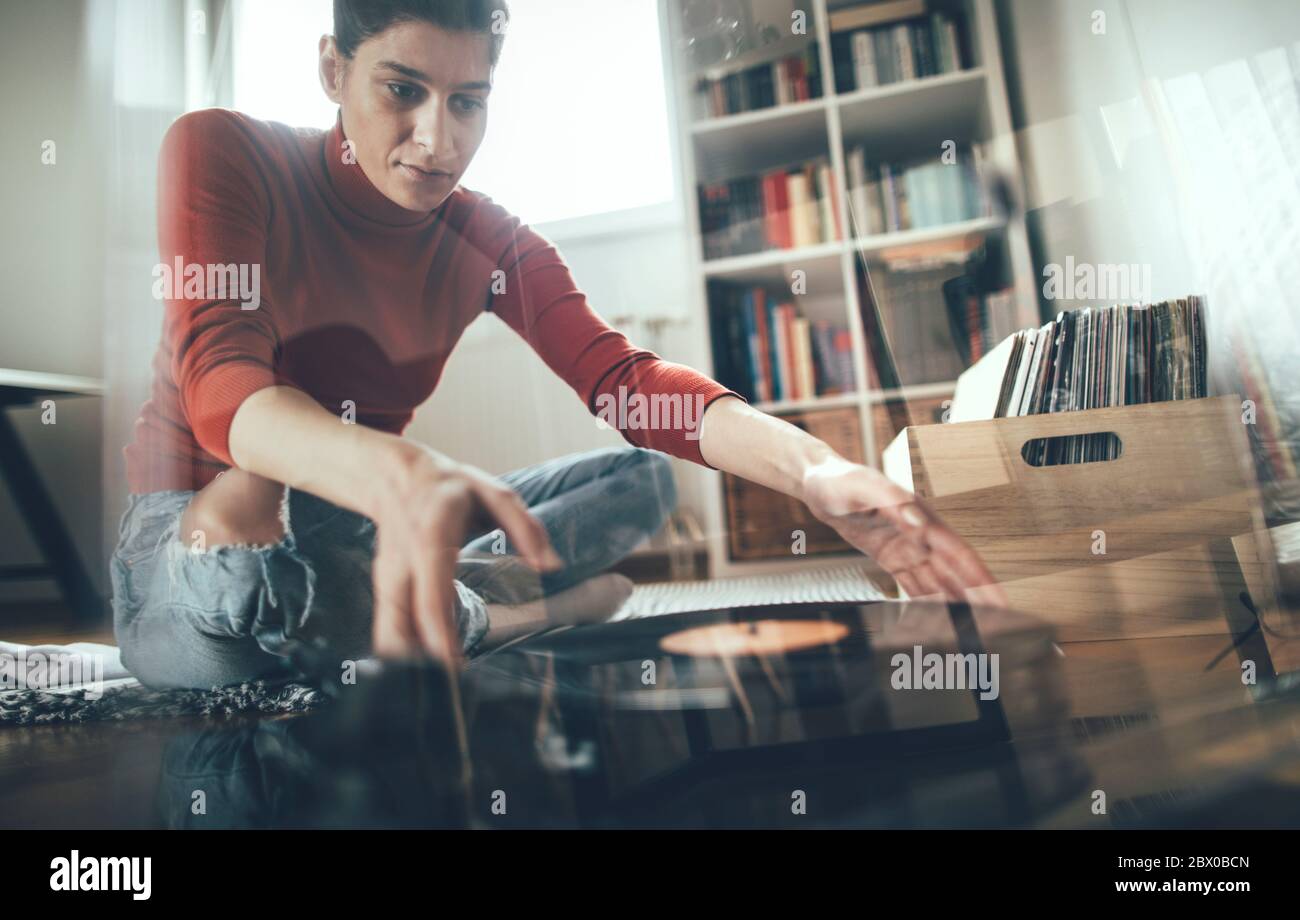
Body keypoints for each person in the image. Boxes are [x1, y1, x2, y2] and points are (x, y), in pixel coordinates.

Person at [112, 0, 1001, 690]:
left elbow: (626, 383)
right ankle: (480, 613)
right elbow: (221, 384)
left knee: (640, 479)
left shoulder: (491, 241)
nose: (438, 138)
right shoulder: (220, 150)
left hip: (371, 520)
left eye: (469, 102)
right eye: (401, 90)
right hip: (194, 514)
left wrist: (814, 472)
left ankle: (419, 585)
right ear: (332, 68)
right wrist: (402, 474)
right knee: (233, 584)